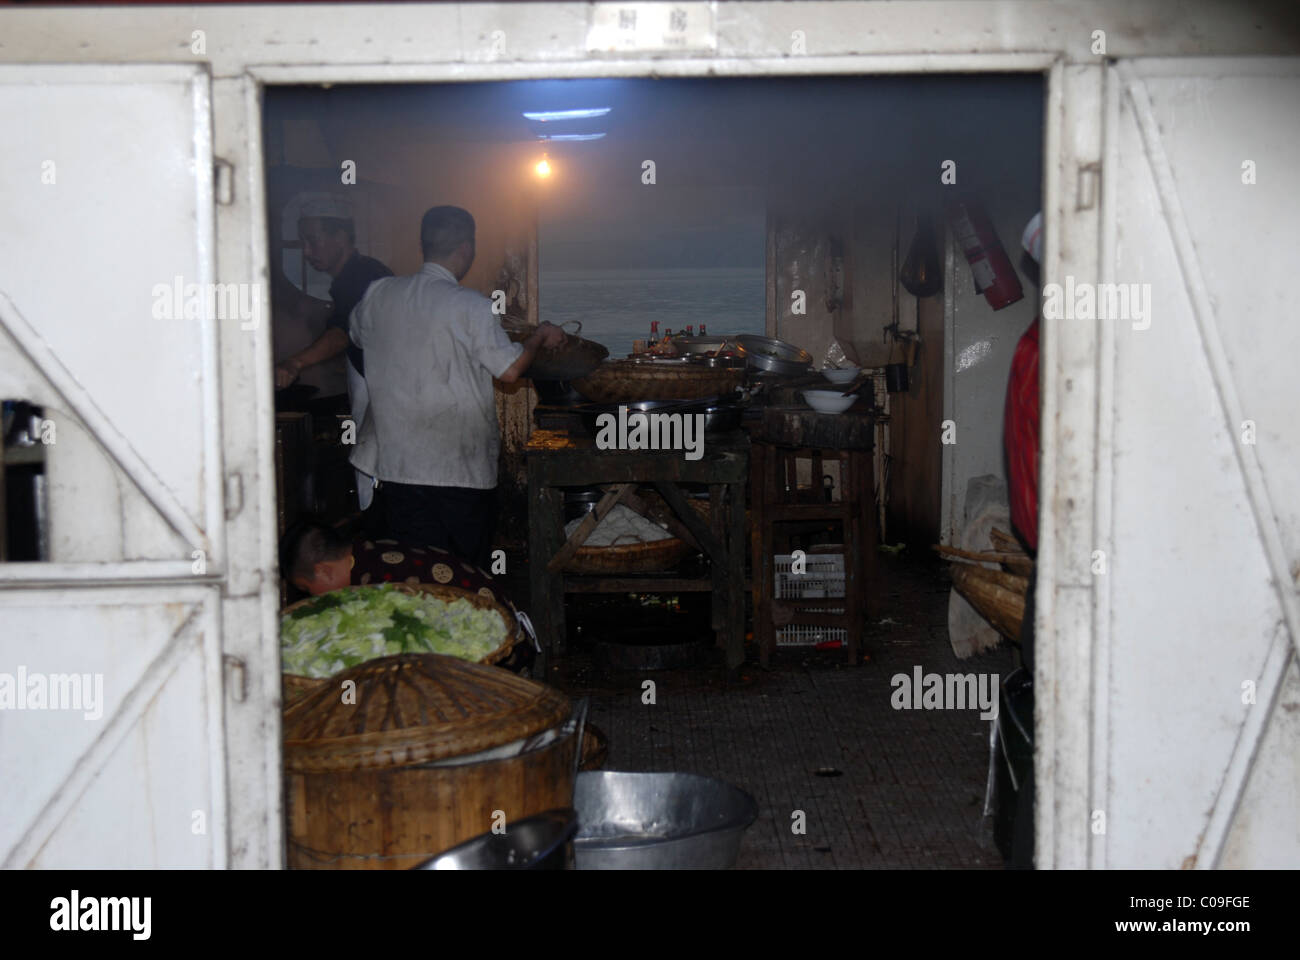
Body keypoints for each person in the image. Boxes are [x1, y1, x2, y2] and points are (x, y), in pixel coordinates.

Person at [348, 205, 564, 567]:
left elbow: (357, 336)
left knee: (414, 575)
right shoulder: (471, 306)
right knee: (465, 576)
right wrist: (538, 337)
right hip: (459, 473)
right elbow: (510, 371)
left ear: (423, 246)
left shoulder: (378, 294)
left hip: (398, 472)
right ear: (466, 249)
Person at [280, 520, 535, 675]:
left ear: (323, 570)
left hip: (505, 664)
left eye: (306, 588)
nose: (310, 597)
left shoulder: (373, 586)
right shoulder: (370, 552)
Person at [274, 195, 393, 512]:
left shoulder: (359, 277)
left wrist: (293, 363)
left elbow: (341, 334)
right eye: (303, 243)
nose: (307, 252)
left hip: (384, 400)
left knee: (374, 478)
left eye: (313, 241)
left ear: (341, 236)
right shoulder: (358, 275)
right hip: (379, 399)